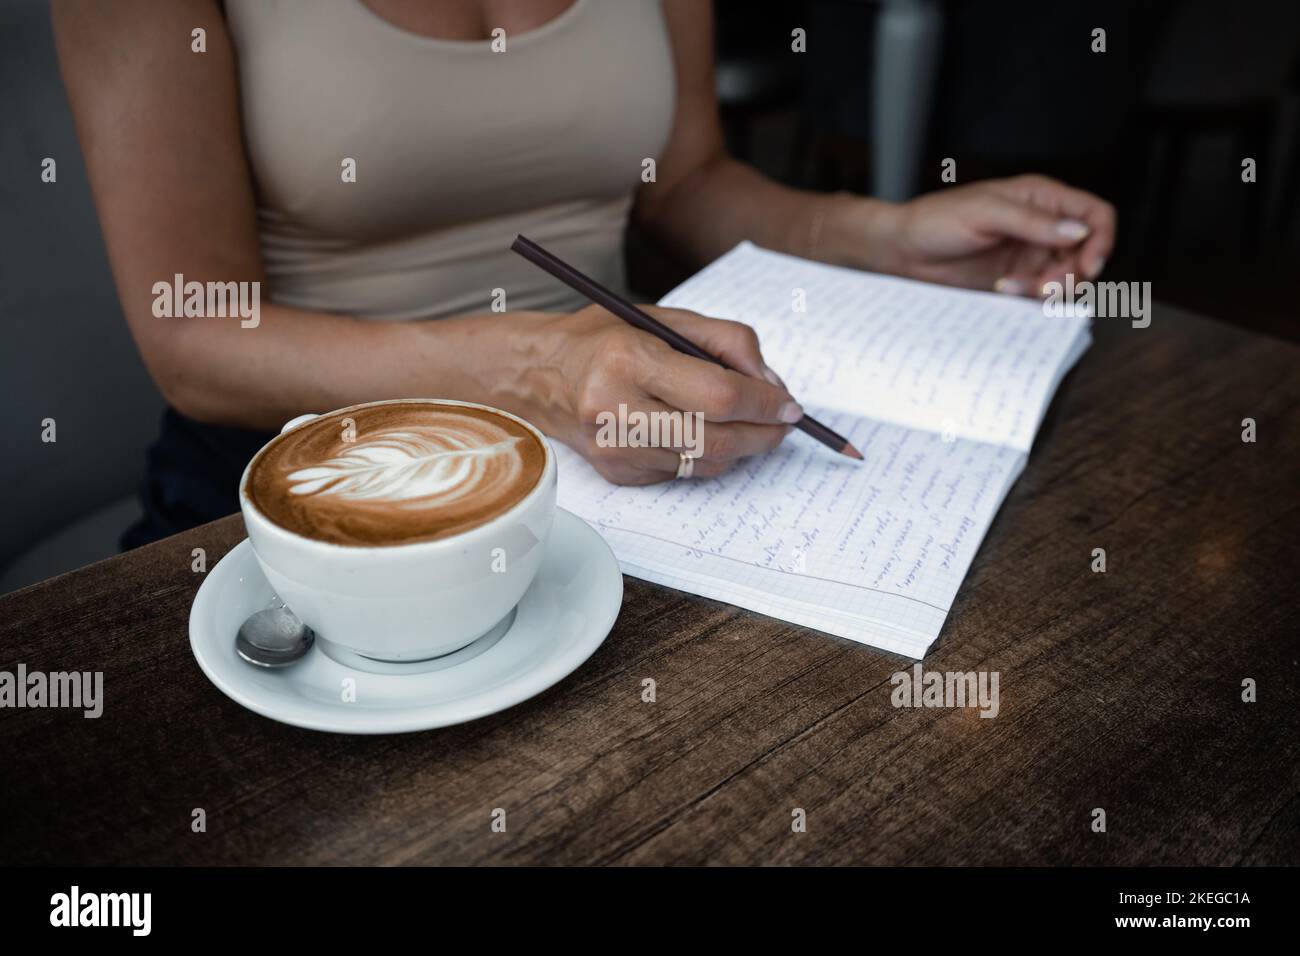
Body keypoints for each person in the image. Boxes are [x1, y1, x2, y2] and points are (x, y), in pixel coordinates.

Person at [52, 0, 1115, 548]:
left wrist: (885, 237)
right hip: (300, 482)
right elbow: (192, 336)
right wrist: (529, 364)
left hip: (612, 474)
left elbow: (683, 180)